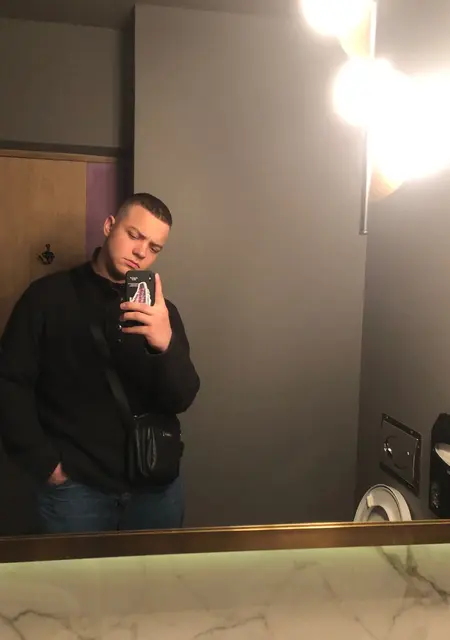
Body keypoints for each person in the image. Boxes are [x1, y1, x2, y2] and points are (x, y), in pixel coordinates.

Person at [0, 193, 200, 534]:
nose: (141, 252)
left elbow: (181, 398)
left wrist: (164, 344)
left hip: (156, 488)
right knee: (76, 572)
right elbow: (9, 383)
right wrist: (45, 463)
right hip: (76, 490)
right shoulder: (47, 298)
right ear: (109, 226)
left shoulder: (162, 313)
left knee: (156, 570)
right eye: (134, 235)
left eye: (154, 247)